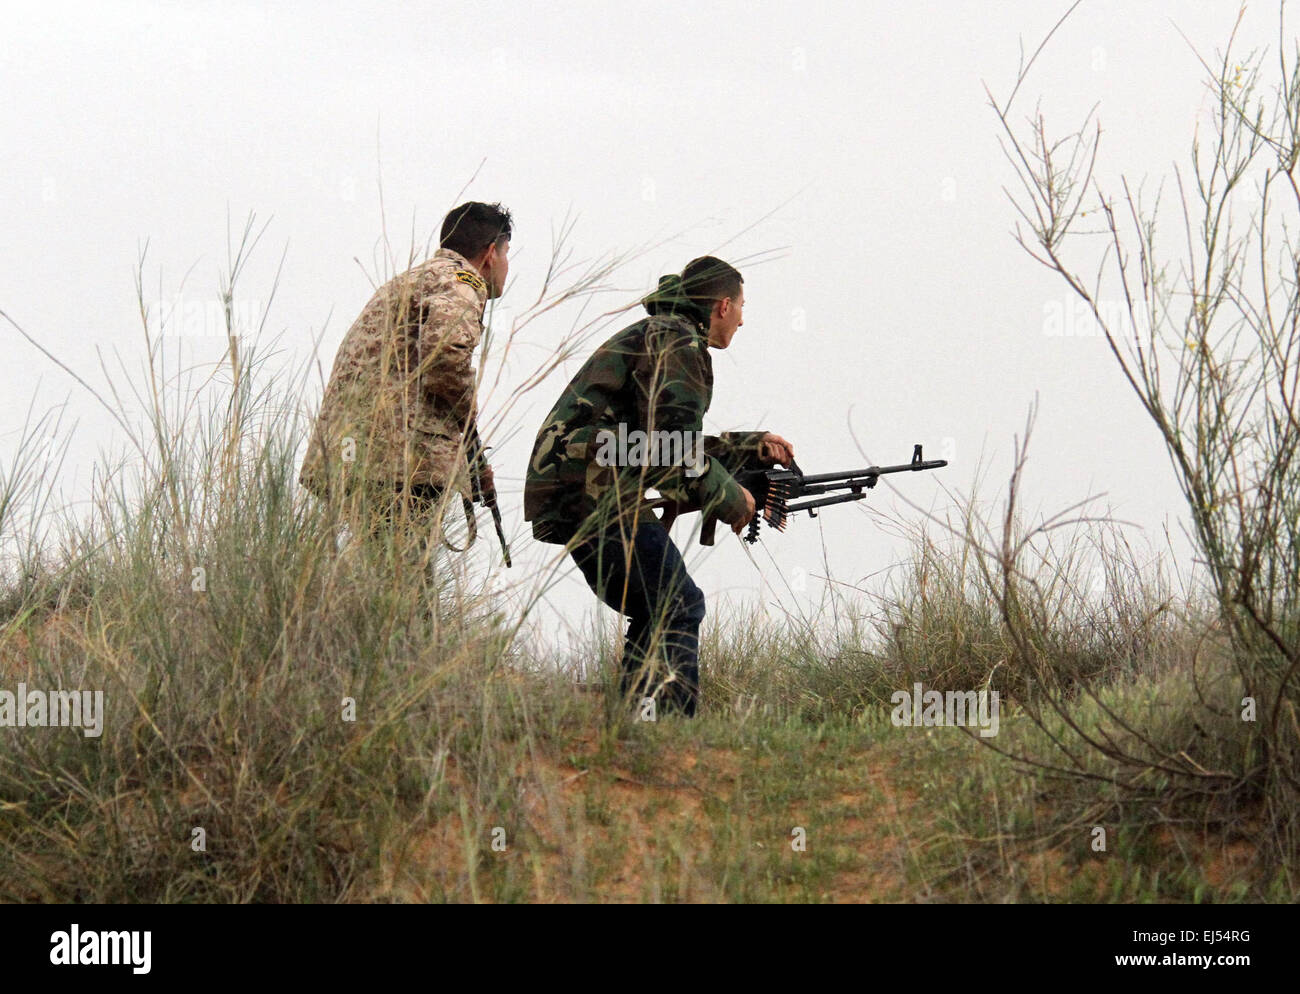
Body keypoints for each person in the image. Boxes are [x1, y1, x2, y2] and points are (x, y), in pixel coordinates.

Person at [524, 256, 794, 716]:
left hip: (583, 482)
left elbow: (662, 441)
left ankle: (635, 719)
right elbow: (675, 451)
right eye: (743, 306)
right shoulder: (678, 342)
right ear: (723, 305)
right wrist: (730, 498)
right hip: (594, 488)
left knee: (658, 605)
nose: (744, 319)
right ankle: (666, 727)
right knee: (678, 604)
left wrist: (749, 447)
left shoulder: (666, 334)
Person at [299, 201, 511, 556]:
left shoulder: (411, 281)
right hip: (400, 463)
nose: (506, 266)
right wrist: (467, 415)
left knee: (377, 573)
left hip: (352, 454)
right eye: (506, 254)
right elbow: (445, 357)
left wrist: (466, 457)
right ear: (490, 253)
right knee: (407, 585)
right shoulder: (461, 281)